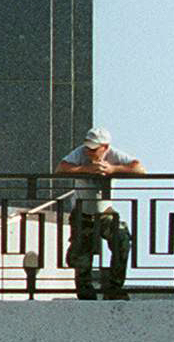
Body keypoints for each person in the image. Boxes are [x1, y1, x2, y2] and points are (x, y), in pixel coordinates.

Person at [55, 127, 144, 300]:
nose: (89, 151)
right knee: (81, 256)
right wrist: (85, 169)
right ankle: (85, 292)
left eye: (94, 149)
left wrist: (112, 169)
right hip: (82, 213)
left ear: (105, 147)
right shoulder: (80, 154)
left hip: (104, 213)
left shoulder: (114, 155)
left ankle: (114, 287)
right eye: (87, 147)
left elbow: (140, 169)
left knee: (122, 240)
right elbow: (61, 168)